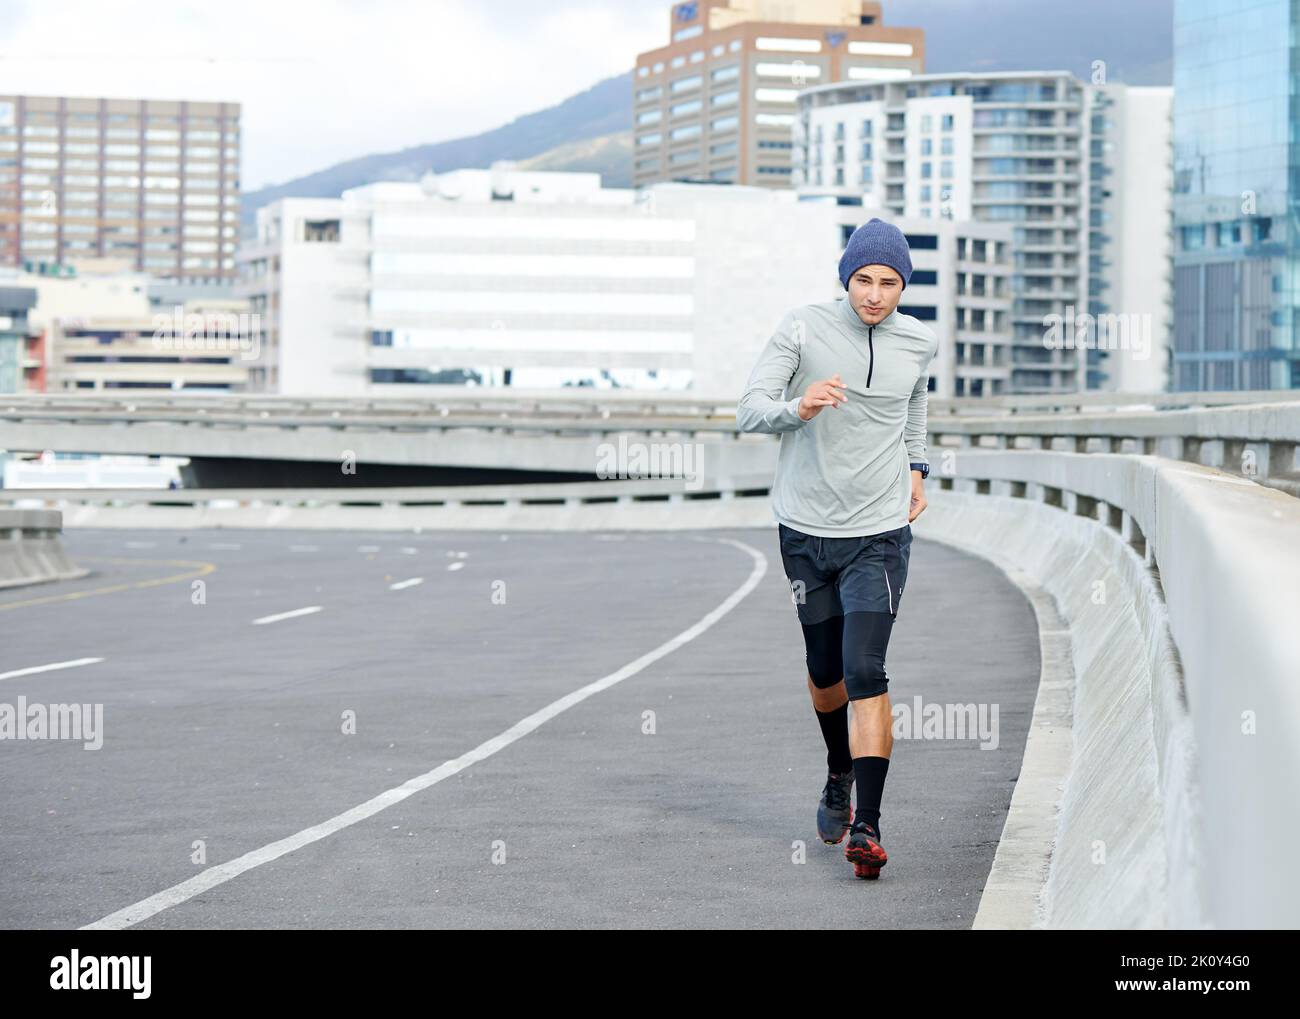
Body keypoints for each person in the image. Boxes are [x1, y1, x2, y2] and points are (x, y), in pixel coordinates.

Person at [735, 218, 937, 880]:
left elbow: (913, 408)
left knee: (866, 668)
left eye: (888, 283)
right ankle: (837, 771)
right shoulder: (803, 327)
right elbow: (749, 410)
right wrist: (801, 406)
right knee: (826, 673)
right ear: (845, 277)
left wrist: (917, 467)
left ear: (902, 285)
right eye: (863, 280)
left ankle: (868, 826)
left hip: (878, 533)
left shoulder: (918, 342)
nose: (875, 295)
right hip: (805, 529)